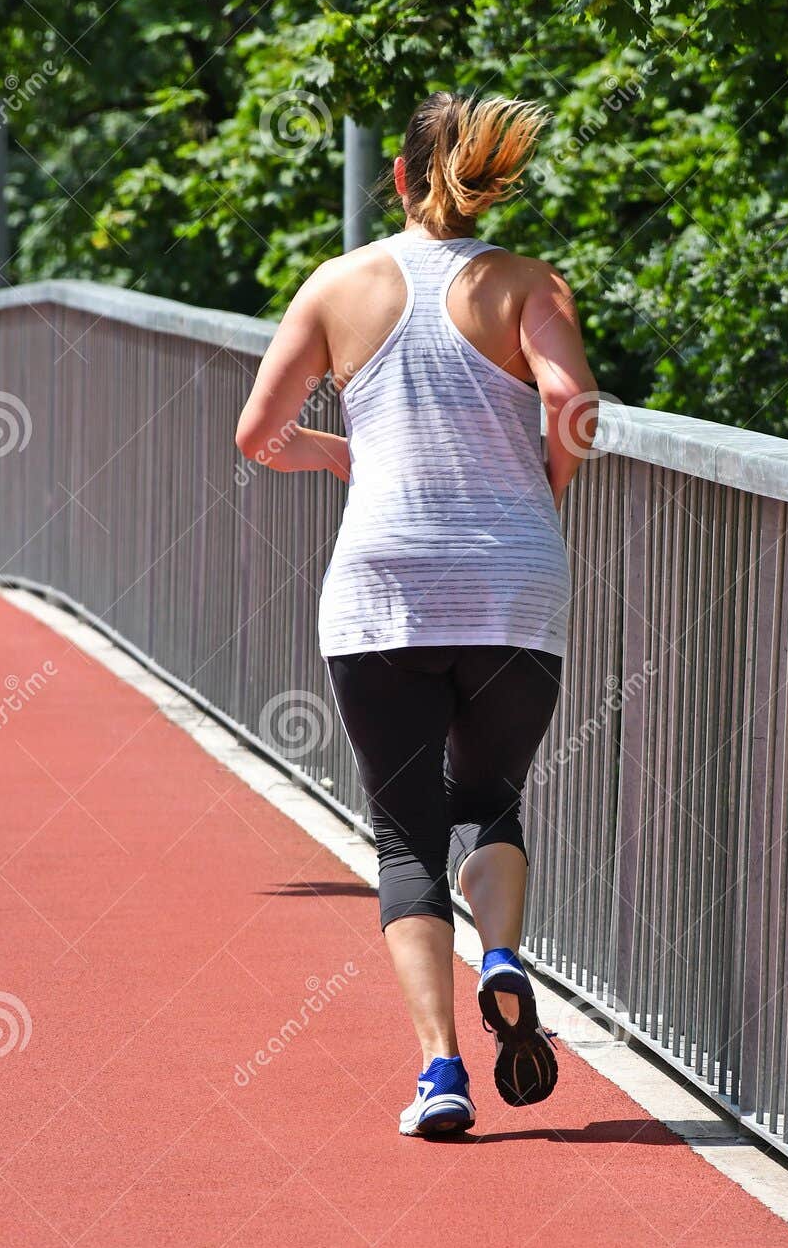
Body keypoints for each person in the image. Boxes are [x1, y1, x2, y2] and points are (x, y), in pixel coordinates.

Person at [235, 91, 598, 1136]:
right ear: (487, 185)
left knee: (405, 838)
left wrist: (344, 455)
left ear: (396, 177)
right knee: (488, 798)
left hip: (382, 588)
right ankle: (502, 953)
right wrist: (543, 485)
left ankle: (441, 1072)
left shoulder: (335, 284)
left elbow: (259, 435)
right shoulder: (526, 283)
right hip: (510, 583)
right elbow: (571, 405)